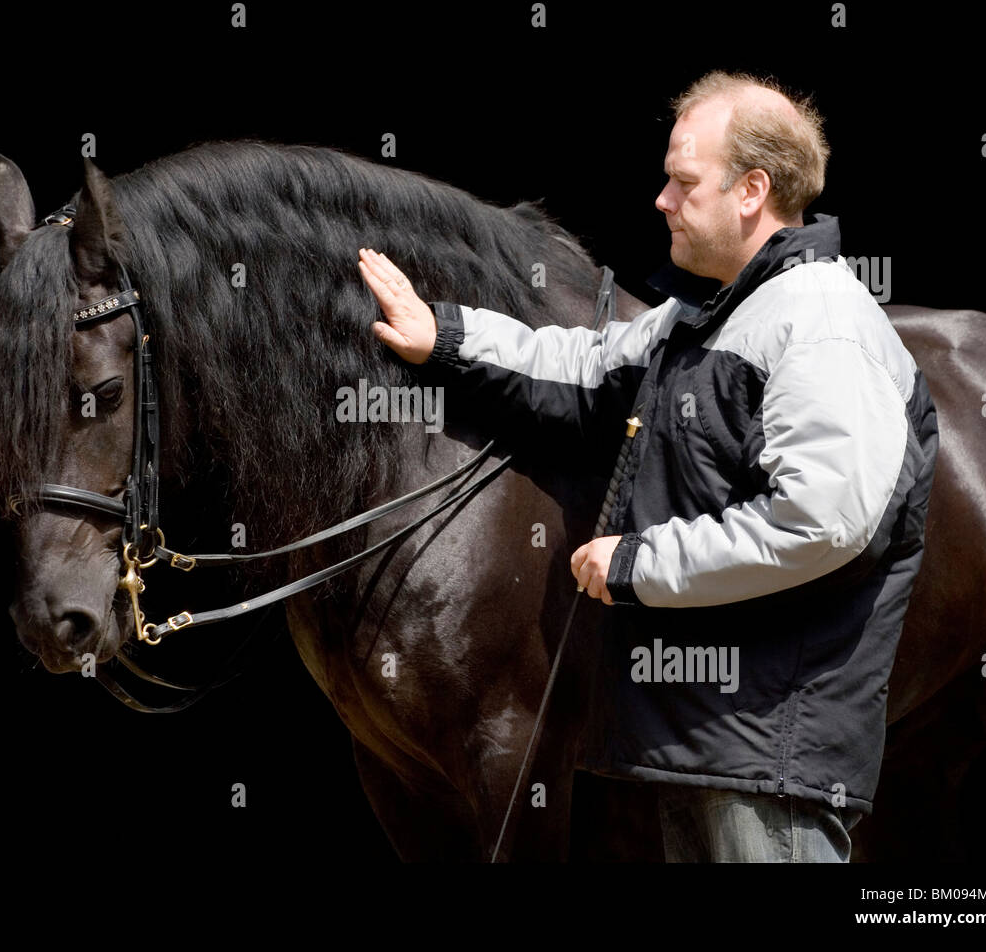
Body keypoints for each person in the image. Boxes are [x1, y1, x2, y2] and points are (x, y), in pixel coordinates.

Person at [357, 70, 939, 862]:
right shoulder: (703, 314)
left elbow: (820, 522)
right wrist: (448, 336)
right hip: (705, 746)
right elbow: (584, 362)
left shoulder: (821, 322)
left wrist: (638, 562)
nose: (661, 199)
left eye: (682, 180)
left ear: (752, 191)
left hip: (769, 762)